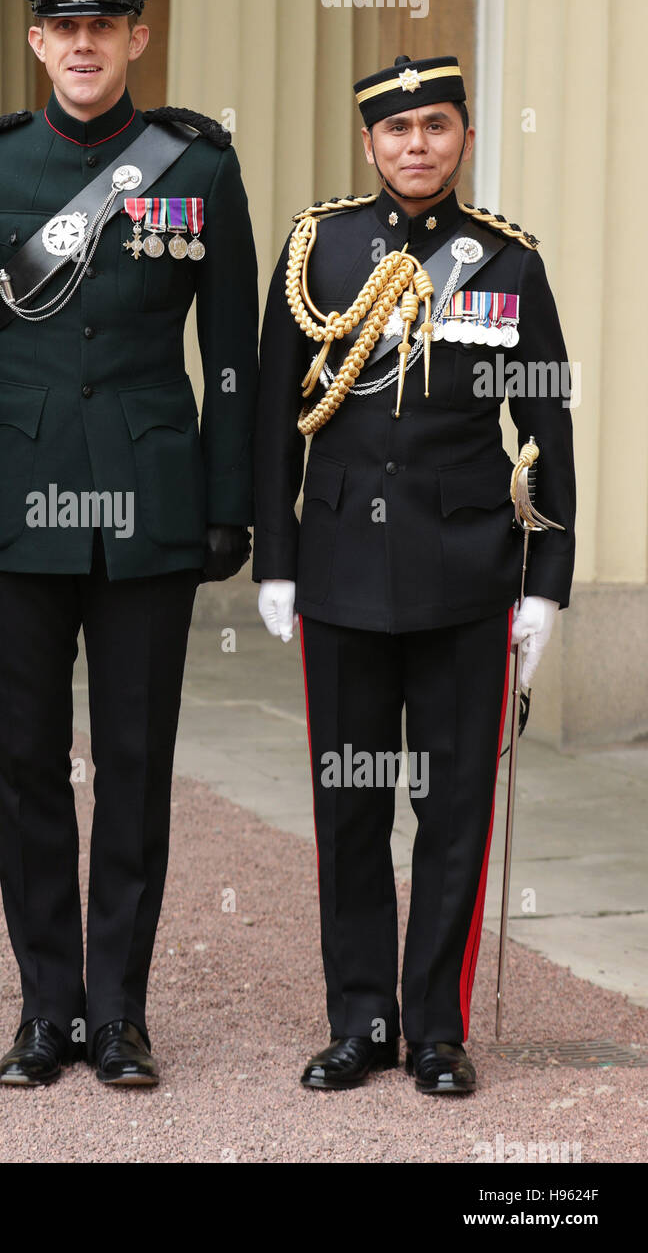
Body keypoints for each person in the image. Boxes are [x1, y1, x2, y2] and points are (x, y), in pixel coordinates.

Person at [0, 0, 258, 1087]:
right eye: (63, 29)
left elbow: (232, 358)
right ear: (34, 43)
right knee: (23, 764)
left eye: (104, 27)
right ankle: (43, 1011)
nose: (82, 44)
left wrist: (226, 503)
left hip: (148, 509)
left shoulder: (198, 169)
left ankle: (117, 1014)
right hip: (11, 510)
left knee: (134, 764)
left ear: (135, 42)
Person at [253, 55, 575, 1094]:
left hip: (466, 570)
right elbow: (270, 417)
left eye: (436, 127)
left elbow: (546, 427)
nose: (415, 146)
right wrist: (275, 556)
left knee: (451, 806)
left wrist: (544, 584)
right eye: (396, 131)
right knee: (349, 803)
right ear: (367, 143)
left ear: (464, 138)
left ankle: (435, 1026)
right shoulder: (319, 248)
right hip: (341, 566)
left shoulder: (506, 264)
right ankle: (360, 1019)